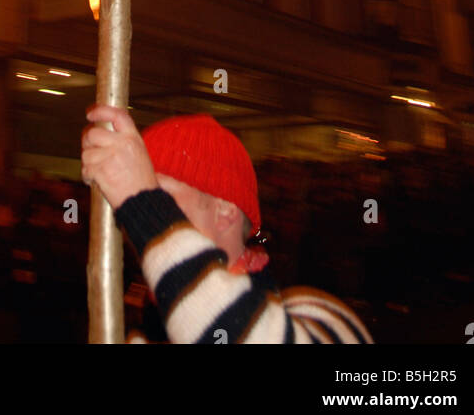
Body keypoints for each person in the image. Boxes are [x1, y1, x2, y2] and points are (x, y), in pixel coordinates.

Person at [81, 106, 373, 344]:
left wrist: (142, 200)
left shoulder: (320, 316)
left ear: (225, 211)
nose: (131, 221)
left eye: (161, 195)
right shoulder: (150, 326)